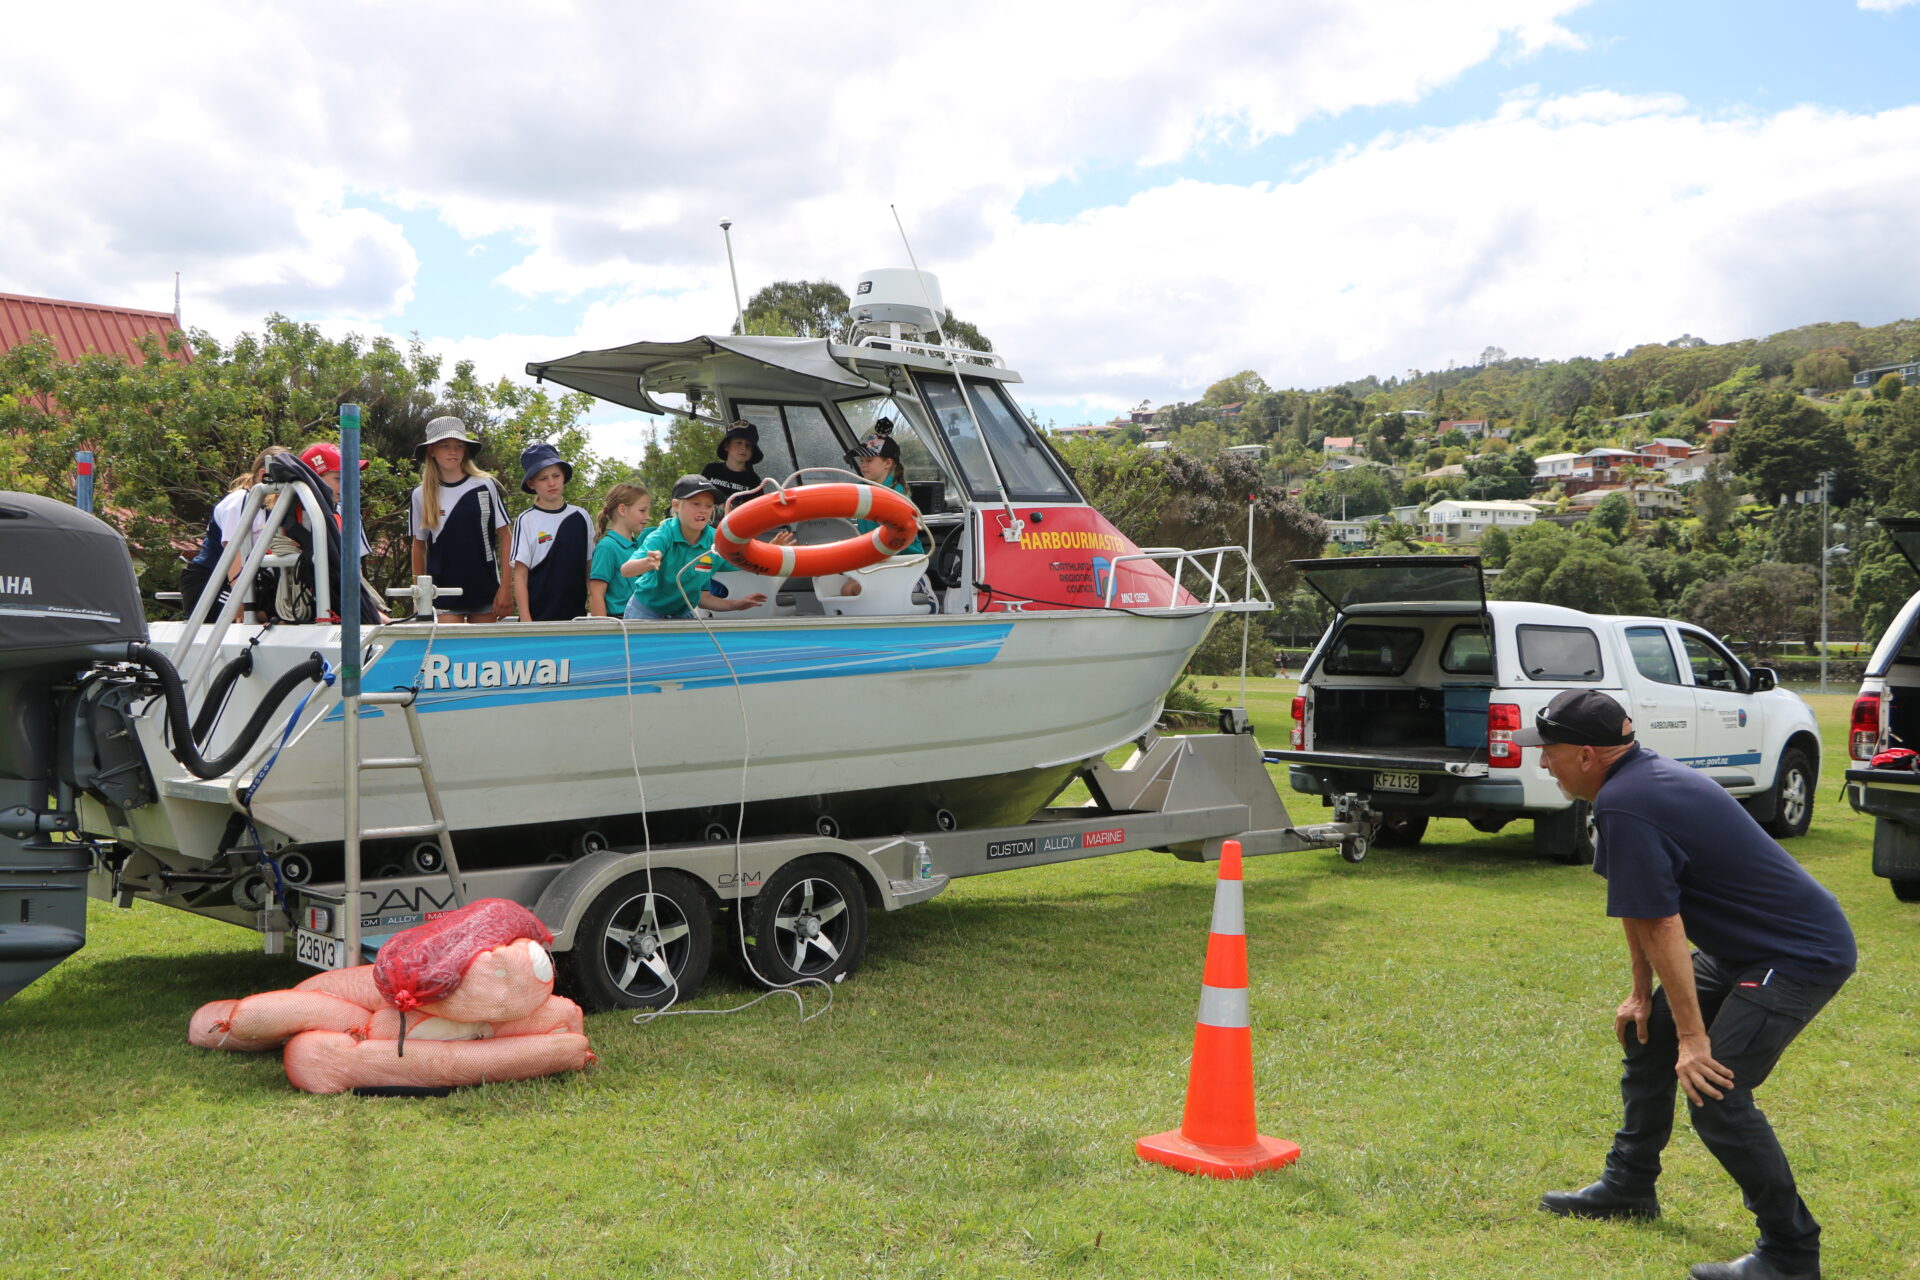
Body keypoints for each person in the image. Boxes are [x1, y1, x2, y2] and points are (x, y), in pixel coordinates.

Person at [1529, 689, 1855, 1280]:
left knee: (1717, 1092)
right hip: (1741, 951)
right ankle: (1629, 1186)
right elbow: (1640, 906)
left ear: (1586, 755)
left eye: (1549, 750)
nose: (1543, 761)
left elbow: (1663, 924)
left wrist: (1694, 1039)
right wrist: (1640, 995)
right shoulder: (1628, 785)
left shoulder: (1628, 800)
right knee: (1647, 1032)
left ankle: (1790, 1252)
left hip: (1798, 954)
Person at [408, 417, 513, 622]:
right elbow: (418, 546)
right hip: (441, 593)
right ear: (431, 450)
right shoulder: (420, 494)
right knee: (449, 643)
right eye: (445, 446)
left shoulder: (485, 485)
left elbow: (505, 536)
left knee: (483, 644)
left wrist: (506, 588)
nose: (453, 452)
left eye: (458, 445)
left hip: (485, 589)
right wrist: (418, 594)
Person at [621, 474, 768, 620]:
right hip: (646, 611)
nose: (703, 510)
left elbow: (704, 598)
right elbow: (626, 570)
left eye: (709, 506)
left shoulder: (716, 540)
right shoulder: (663, 536)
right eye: (696, 504)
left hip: (681, 613)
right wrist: (647, 562)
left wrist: (738, 604)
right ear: (676, 506)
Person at [178, 445, 289, 618]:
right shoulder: (238, 503)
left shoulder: (270, 508)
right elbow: (233, 556)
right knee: (252, 613)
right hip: (210, 580)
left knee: (281, 614)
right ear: (263, 475)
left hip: (250, 580)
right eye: (286, 481)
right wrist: (243, 605)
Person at [833, 421, 926, 598]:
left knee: (851, 590)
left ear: (887, 463)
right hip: (876, 561)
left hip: (902, 564)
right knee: (844, 588)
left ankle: (919, 590)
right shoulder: (863, 490)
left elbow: (897, 542)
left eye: (869, 460)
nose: (863, 465)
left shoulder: (897, 495)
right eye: (861, 461)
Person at [509, 442, 592, 622]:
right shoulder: (526, 520)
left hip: (576, 620)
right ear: (531, 483)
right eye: (543, 478)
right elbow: (520, 575)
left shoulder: (582, 516)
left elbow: (589, 568)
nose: (551, 482)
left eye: (556, 475)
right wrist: (526, 622)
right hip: (538, 620)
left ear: (564, 477)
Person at [587, 482, 650, 618]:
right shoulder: (606, 547)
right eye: (642, 510)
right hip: (619, 623)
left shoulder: (639, 547)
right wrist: (603, 629)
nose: (647, 516)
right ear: (622, 510)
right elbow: (596, 594)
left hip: (642, 622)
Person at [701, 421, 766, 508]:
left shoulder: (754, 482)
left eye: (748, 444)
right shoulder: (711, 470)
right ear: (726, 446)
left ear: (753, 451)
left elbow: (756, 510)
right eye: (739, 442)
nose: (744, 448)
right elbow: (697, 497)